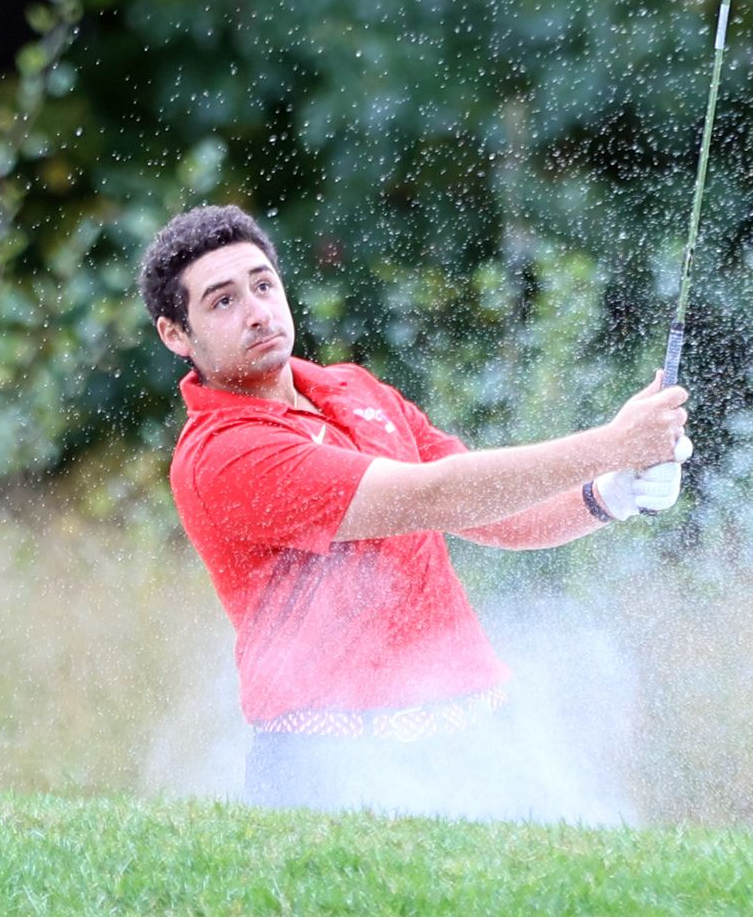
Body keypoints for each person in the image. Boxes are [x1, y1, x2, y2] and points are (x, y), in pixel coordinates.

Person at [138, 205, 690, 816]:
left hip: (472, 733)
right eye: (223, 301)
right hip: (327, 761)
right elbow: (435, 494)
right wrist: (613, 443)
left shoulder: (354, 388)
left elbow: (493, 512)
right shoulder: (223, 454)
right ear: (175, 334)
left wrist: (609, 494)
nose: (258, 311)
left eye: (263, 284)